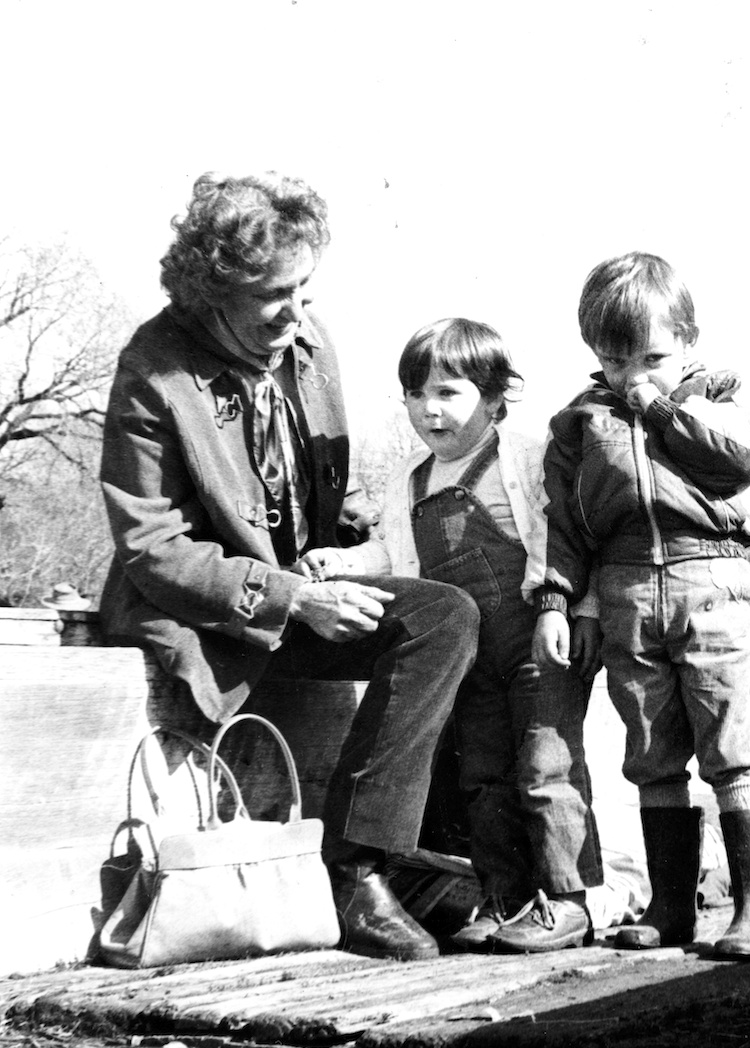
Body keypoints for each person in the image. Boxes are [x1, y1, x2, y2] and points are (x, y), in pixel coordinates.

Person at [98, 172, 479, 962]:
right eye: (274, 295)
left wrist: (361, 541)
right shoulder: (153, 371)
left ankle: (375, 864)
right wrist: (293, 597)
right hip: (213, 615)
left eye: (305, 289)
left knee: (447, 614)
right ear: (213, 292)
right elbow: (151, 546)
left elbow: (321, 487)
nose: (297, 312)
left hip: (306, 588)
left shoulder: (308, 343)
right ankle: (362, 883)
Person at [301, 317, 606, 953]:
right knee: (483, 776)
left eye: (447, 393)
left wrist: (576, 611)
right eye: (415, 394)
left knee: (546, 766)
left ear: (494, 398)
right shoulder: (409, 477)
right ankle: (504, 899)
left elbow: (571, 542)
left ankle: (567, 900)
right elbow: (396, 555)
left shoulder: (526, 459)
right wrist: (345, 562)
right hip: (469, 657)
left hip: (534, 640)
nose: (428, 410)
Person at [531, 252, 750, 960]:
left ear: (688, 340)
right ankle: (672, 908)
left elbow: (736, 459)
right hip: (626, 589)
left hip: (710, 577)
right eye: (615, 363)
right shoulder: (578, 423)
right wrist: (557, 602)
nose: (631, 376)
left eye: (652, 358)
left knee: (730, 743)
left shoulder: (719, 397)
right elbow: (565, 523)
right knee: (651, 752)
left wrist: (660, 407)